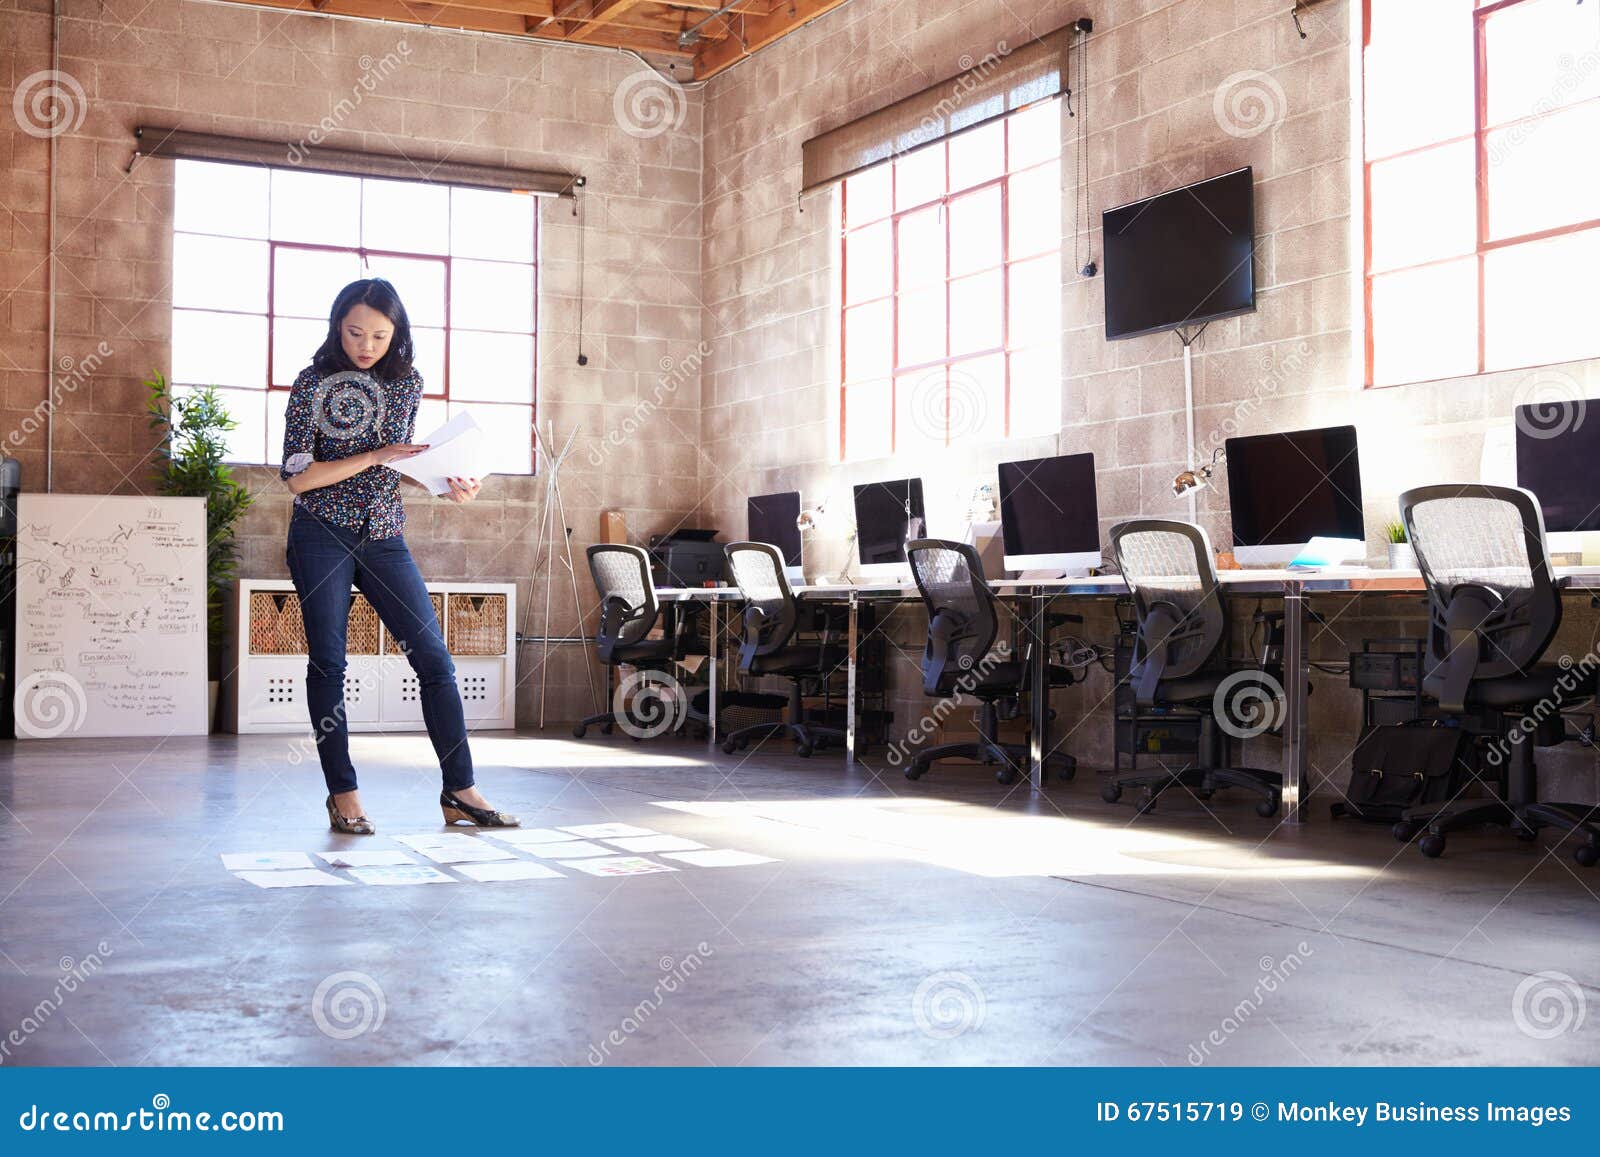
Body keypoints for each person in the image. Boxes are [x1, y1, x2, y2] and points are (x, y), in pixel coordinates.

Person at [279, 277, 518, 835]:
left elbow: (395, 468)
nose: (366, 345)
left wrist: (445, 485)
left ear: (396, 335)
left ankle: (460, 790)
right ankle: (344, 795)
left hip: (383, 533)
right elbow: (297, 478)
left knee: (435, 660)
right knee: (330, 665)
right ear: (338, 326)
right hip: (320, 533)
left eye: (380, 336)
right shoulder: (312, 383)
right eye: (356, 332)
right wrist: (377, 453)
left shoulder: (406, 382)